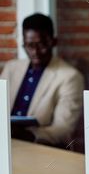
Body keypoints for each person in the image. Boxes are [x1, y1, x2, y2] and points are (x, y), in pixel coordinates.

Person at [0, 13, 84, 147]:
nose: (35, 52)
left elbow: (64, 130)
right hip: (5, 145)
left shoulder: (70, 77)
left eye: (41, 45)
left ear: (54, 42)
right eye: (29, 46)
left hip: (41, 149)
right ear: (23, 44)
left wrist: (27, 135)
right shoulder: (11, 68)